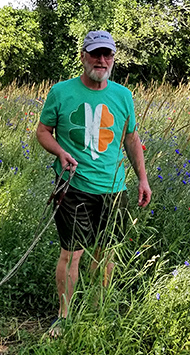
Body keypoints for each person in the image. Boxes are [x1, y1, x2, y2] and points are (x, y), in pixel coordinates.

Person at [36, 29, 152, 335]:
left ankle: (98, 310)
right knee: (71, 253)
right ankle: (64, 316)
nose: (101, 60)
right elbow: (43, 131)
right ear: (83, 56)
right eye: (95, 53)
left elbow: (130, 137)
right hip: (72, 186)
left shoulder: (123, 96)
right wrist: (60, 152)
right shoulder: (61, 92)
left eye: (107, 54)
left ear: (113, 59)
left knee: (106, 253)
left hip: (114, 188)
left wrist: (142, 178)